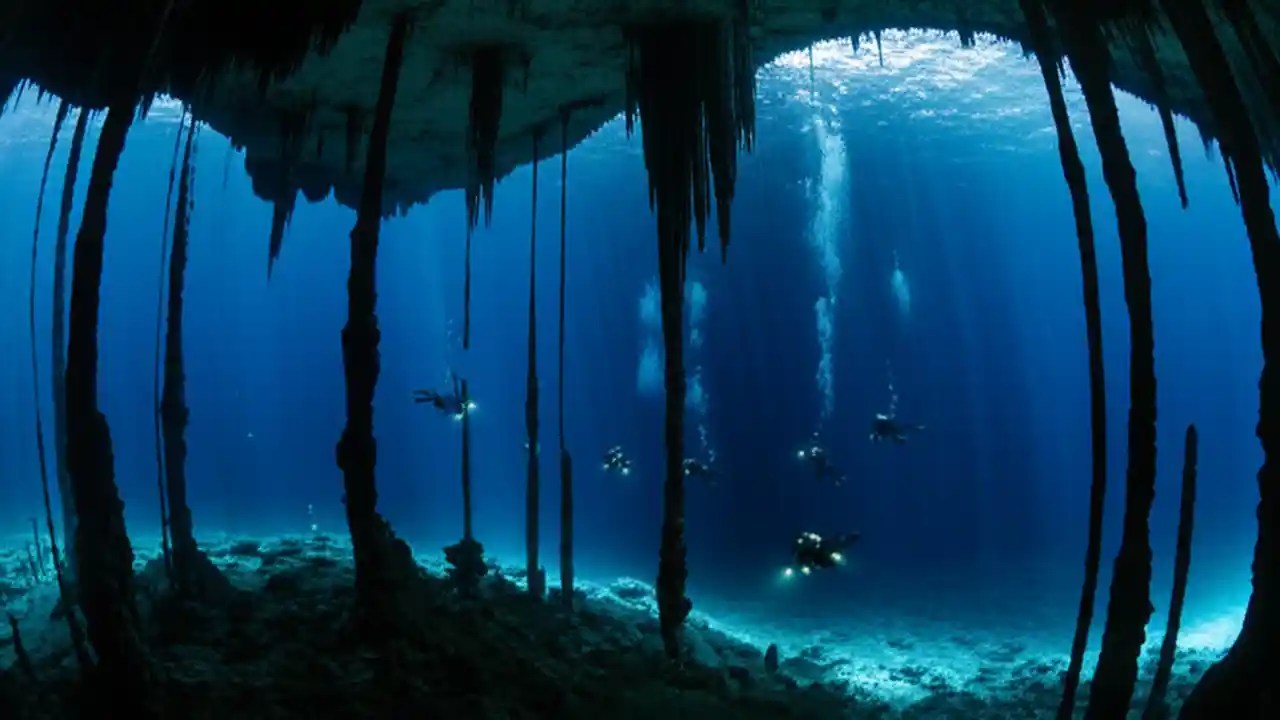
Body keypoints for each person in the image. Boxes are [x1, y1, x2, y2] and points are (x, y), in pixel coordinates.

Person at [785, 531, 860, 577]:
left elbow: (827, 543)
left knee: (836, 546)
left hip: (821, 556)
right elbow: (797, 562)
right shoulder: (800, 554)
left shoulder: (820, 545)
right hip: (817, 559)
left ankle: (850, 538)